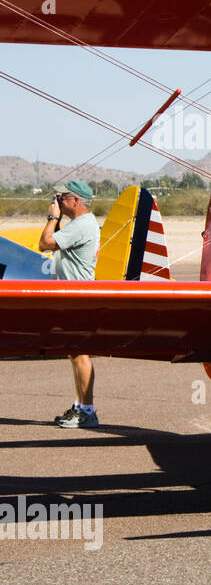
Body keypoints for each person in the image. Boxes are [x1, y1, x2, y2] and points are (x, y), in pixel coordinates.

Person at [38, 179, 101, 429]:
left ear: (75, 201)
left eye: (63, 197)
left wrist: (51, 217)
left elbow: (45, 243)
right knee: (75, 354)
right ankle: (80, 405)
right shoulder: (80, 224)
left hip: (78, 297)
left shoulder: (82, 225)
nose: (58, 201)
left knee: (81, 354)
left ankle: (87, 411)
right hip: (73, 297)